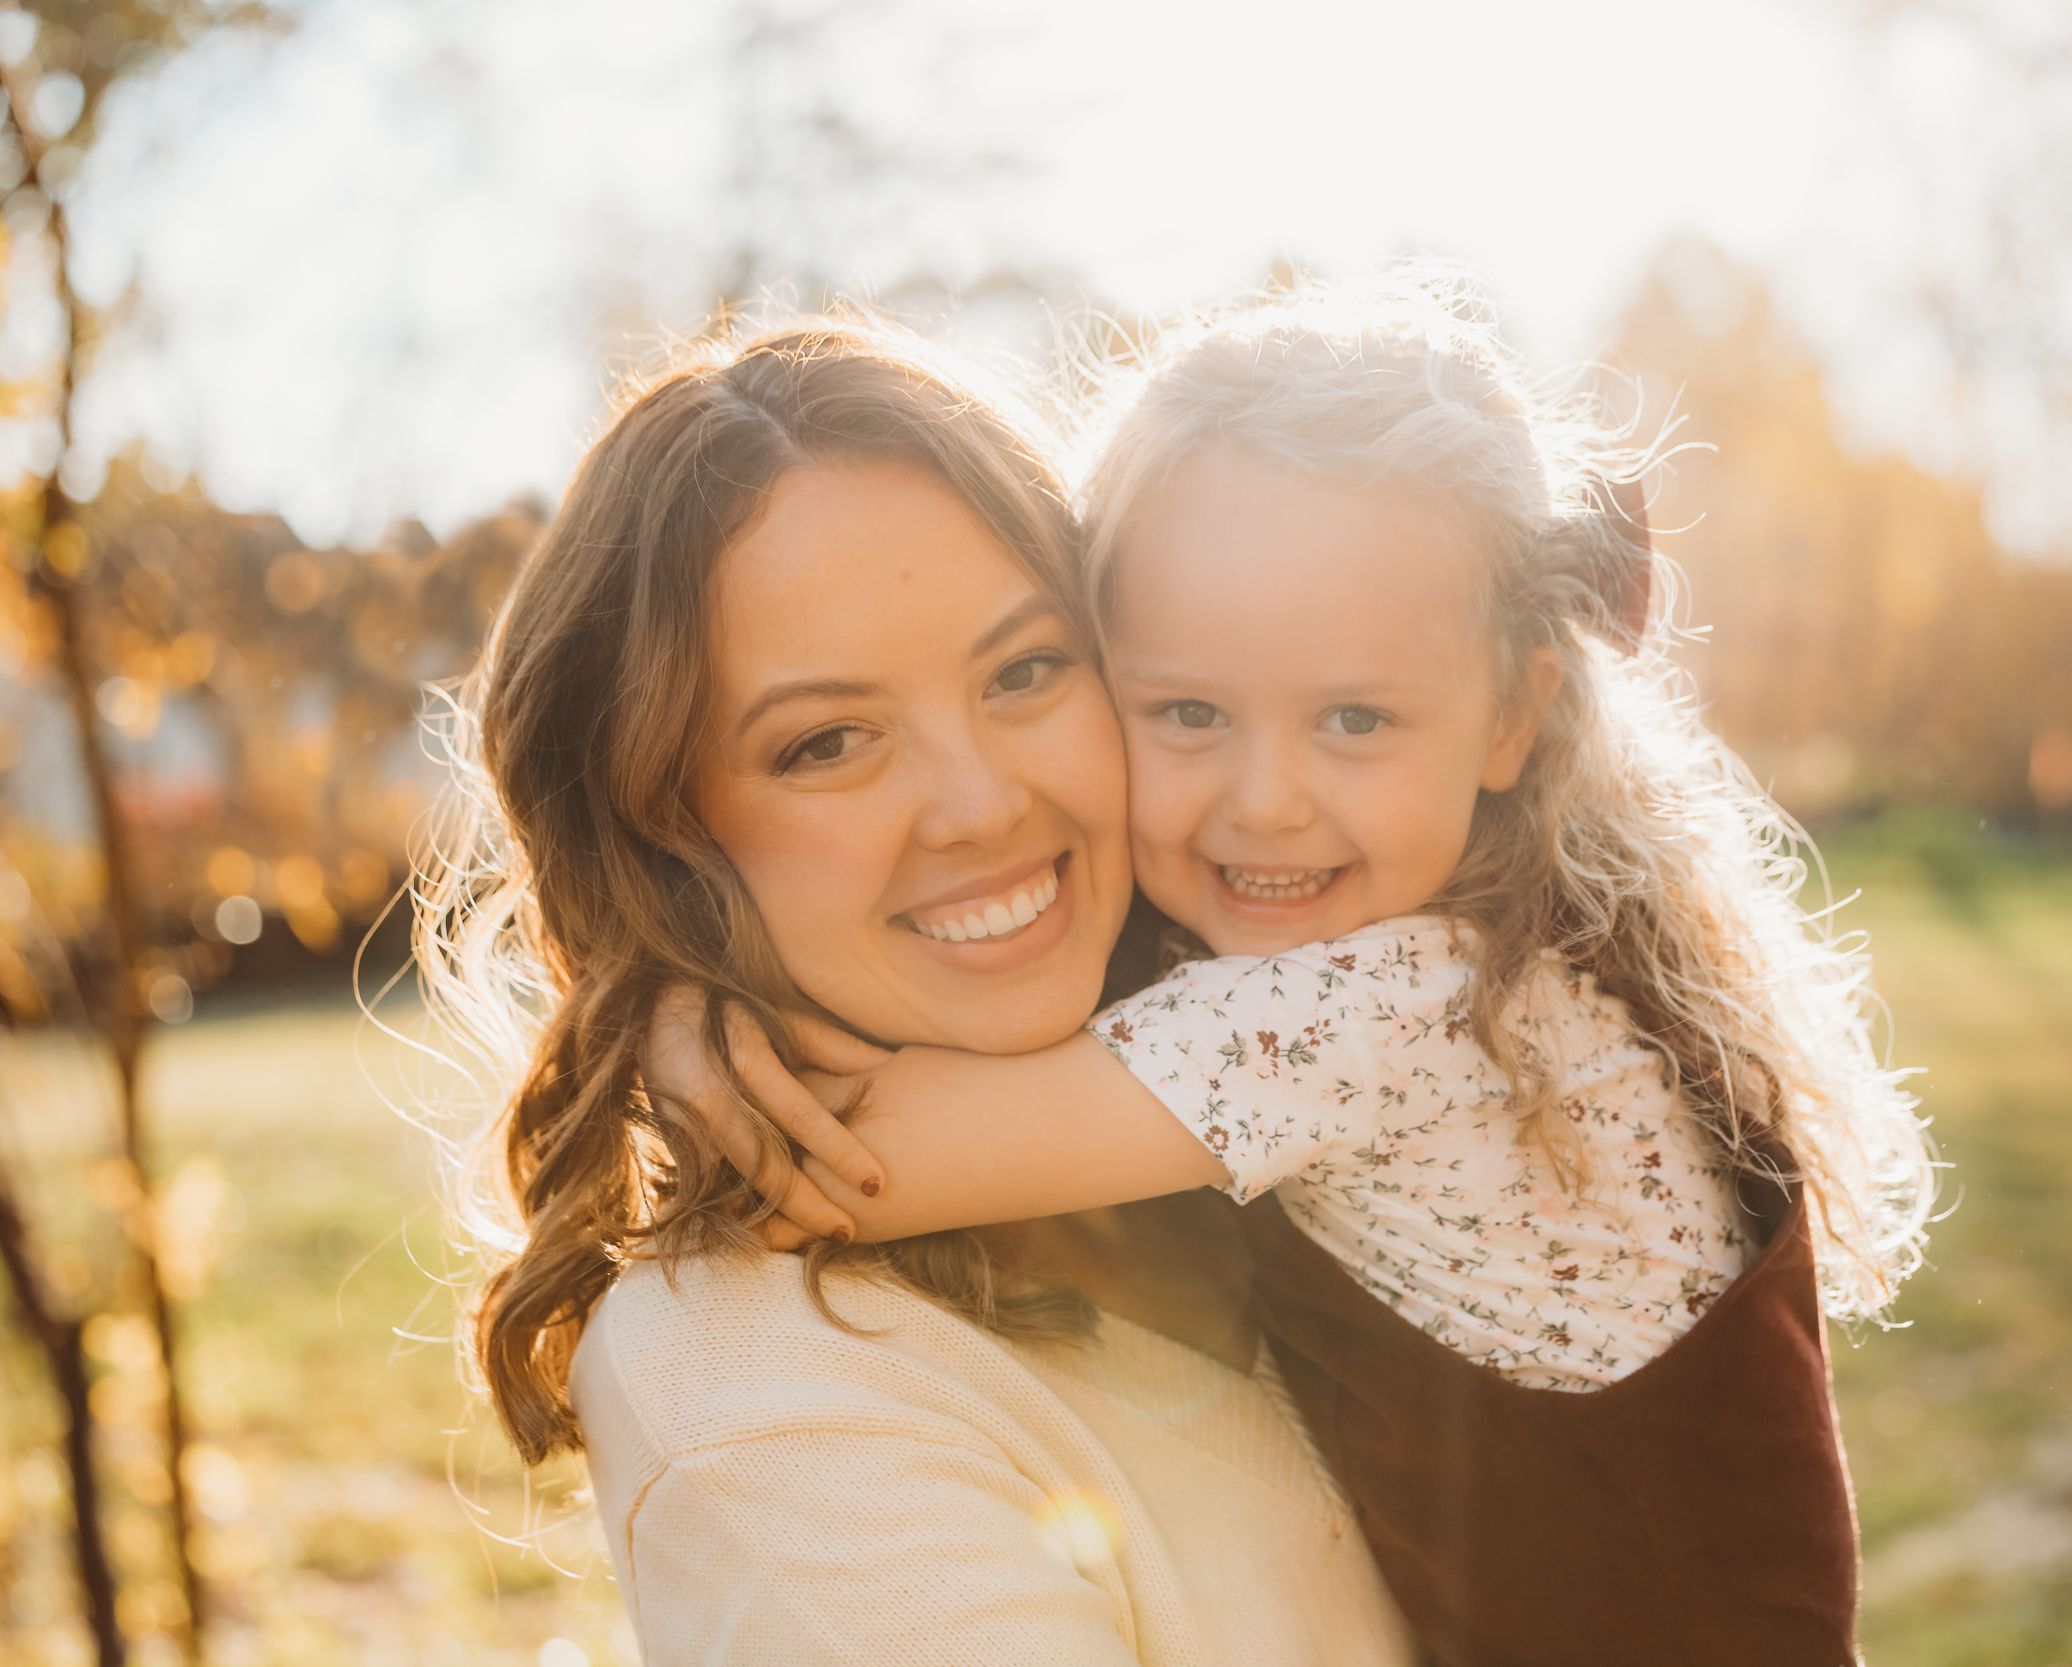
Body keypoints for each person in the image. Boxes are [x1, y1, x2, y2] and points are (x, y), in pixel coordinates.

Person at [668, 272, 1937, 1663]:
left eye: (1354, 720)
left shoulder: (1382, 1013)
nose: (1266, 801)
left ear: (1511, 717)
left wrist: (681, 1015)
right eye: (1188, 711)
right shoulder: (1508, 939)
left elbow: (834, 1154)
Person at [415, 315, 1420, 1665]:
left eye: (1025, 671)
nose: (981, 803)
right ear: (661, 840)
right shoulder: (762, 1396)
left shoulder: (1290, 1053)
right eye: (828, 742)